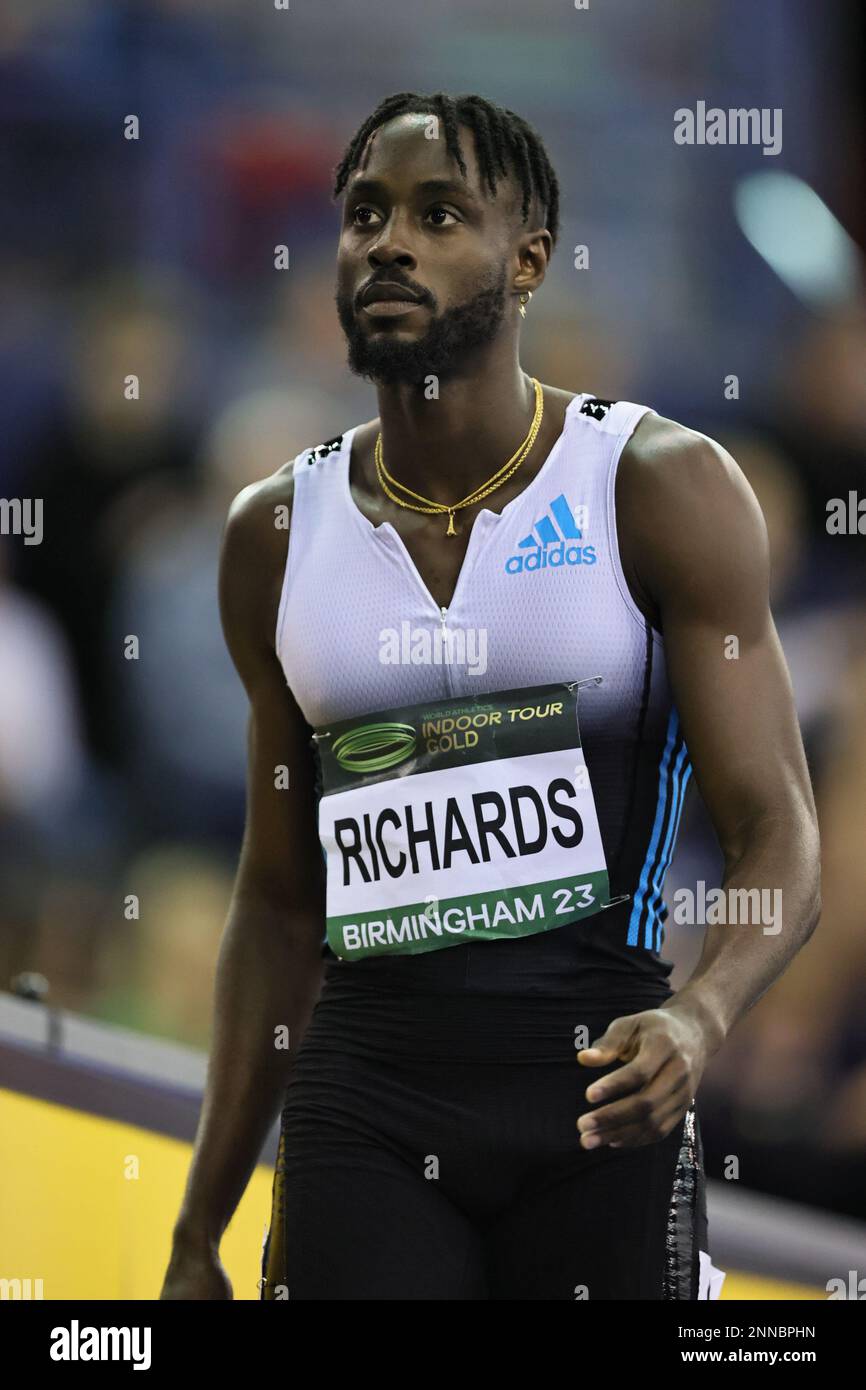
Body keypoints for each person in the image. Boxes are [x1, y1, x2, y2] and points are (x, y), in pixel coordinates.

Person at [161, 92, 821, 1301]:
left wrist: (703, 1014)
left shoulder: (658, 487)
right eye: (364, 214)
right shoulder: (273, 533)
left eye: (437, 214)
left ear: (525, 260)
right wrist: (197, 1229)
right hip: (366, 1093)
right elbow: (272, 903)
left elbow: (777, 832)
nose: (387, 243)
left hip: (599, 1091)